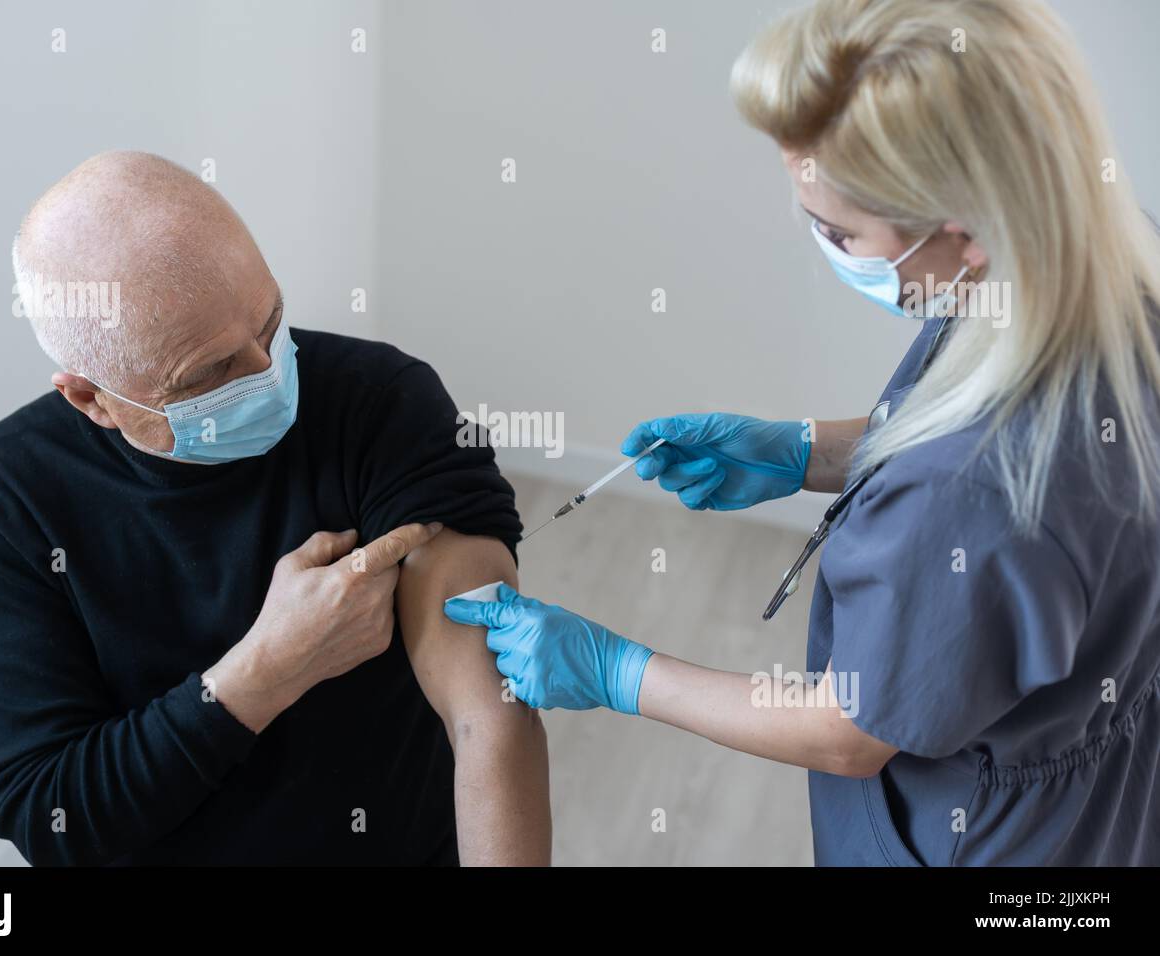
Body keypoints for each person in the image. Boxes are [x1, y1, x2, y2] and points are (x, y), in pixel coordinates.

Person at [446, 0, 1160, 865]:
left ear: (966, 231)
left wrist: (613, 671)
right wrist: (800, 451)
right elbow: (999, 447)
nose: (821, 243)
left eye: (839, 231)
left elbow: (849, 731)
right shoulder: (1099, 272)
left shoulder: (966, 498)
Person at [0, 151, 550, 865]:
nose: (269, 377)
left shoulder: (383, 402)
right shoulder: (2, 504)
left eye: (270, 325)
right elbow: (53, 815)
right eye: (213, 372)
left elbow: (489, 716)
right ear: (91, 397)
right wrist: (268, 669)